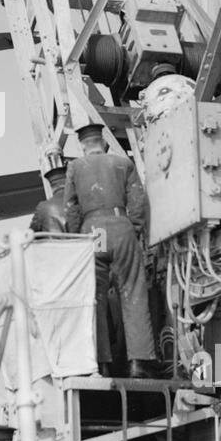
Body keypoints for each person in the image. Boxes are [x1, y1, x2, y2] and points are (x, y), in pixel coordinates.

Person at [64, 123, 162, 378]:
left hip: (92, 232)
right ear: (103, 141)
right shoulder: (123, 163)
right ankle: (139, 363)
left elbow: (71, 208)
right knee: (133, 292)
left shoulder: (75, 167)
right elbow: (138, 202)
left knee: (93, 299)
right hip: (121, 227)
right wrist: (135, 230)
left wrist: (77, 239)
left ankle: (101, 364)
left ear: (83, 146)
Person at [32, 161, 124, 375]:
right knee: (99, 313)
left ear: (51, 184)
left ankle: (68, 365)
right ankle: (104, 364)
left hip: (62, 277)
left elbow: (32, 237)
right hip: (89, 271)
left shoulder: (43, 208)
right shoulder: (84, 204)